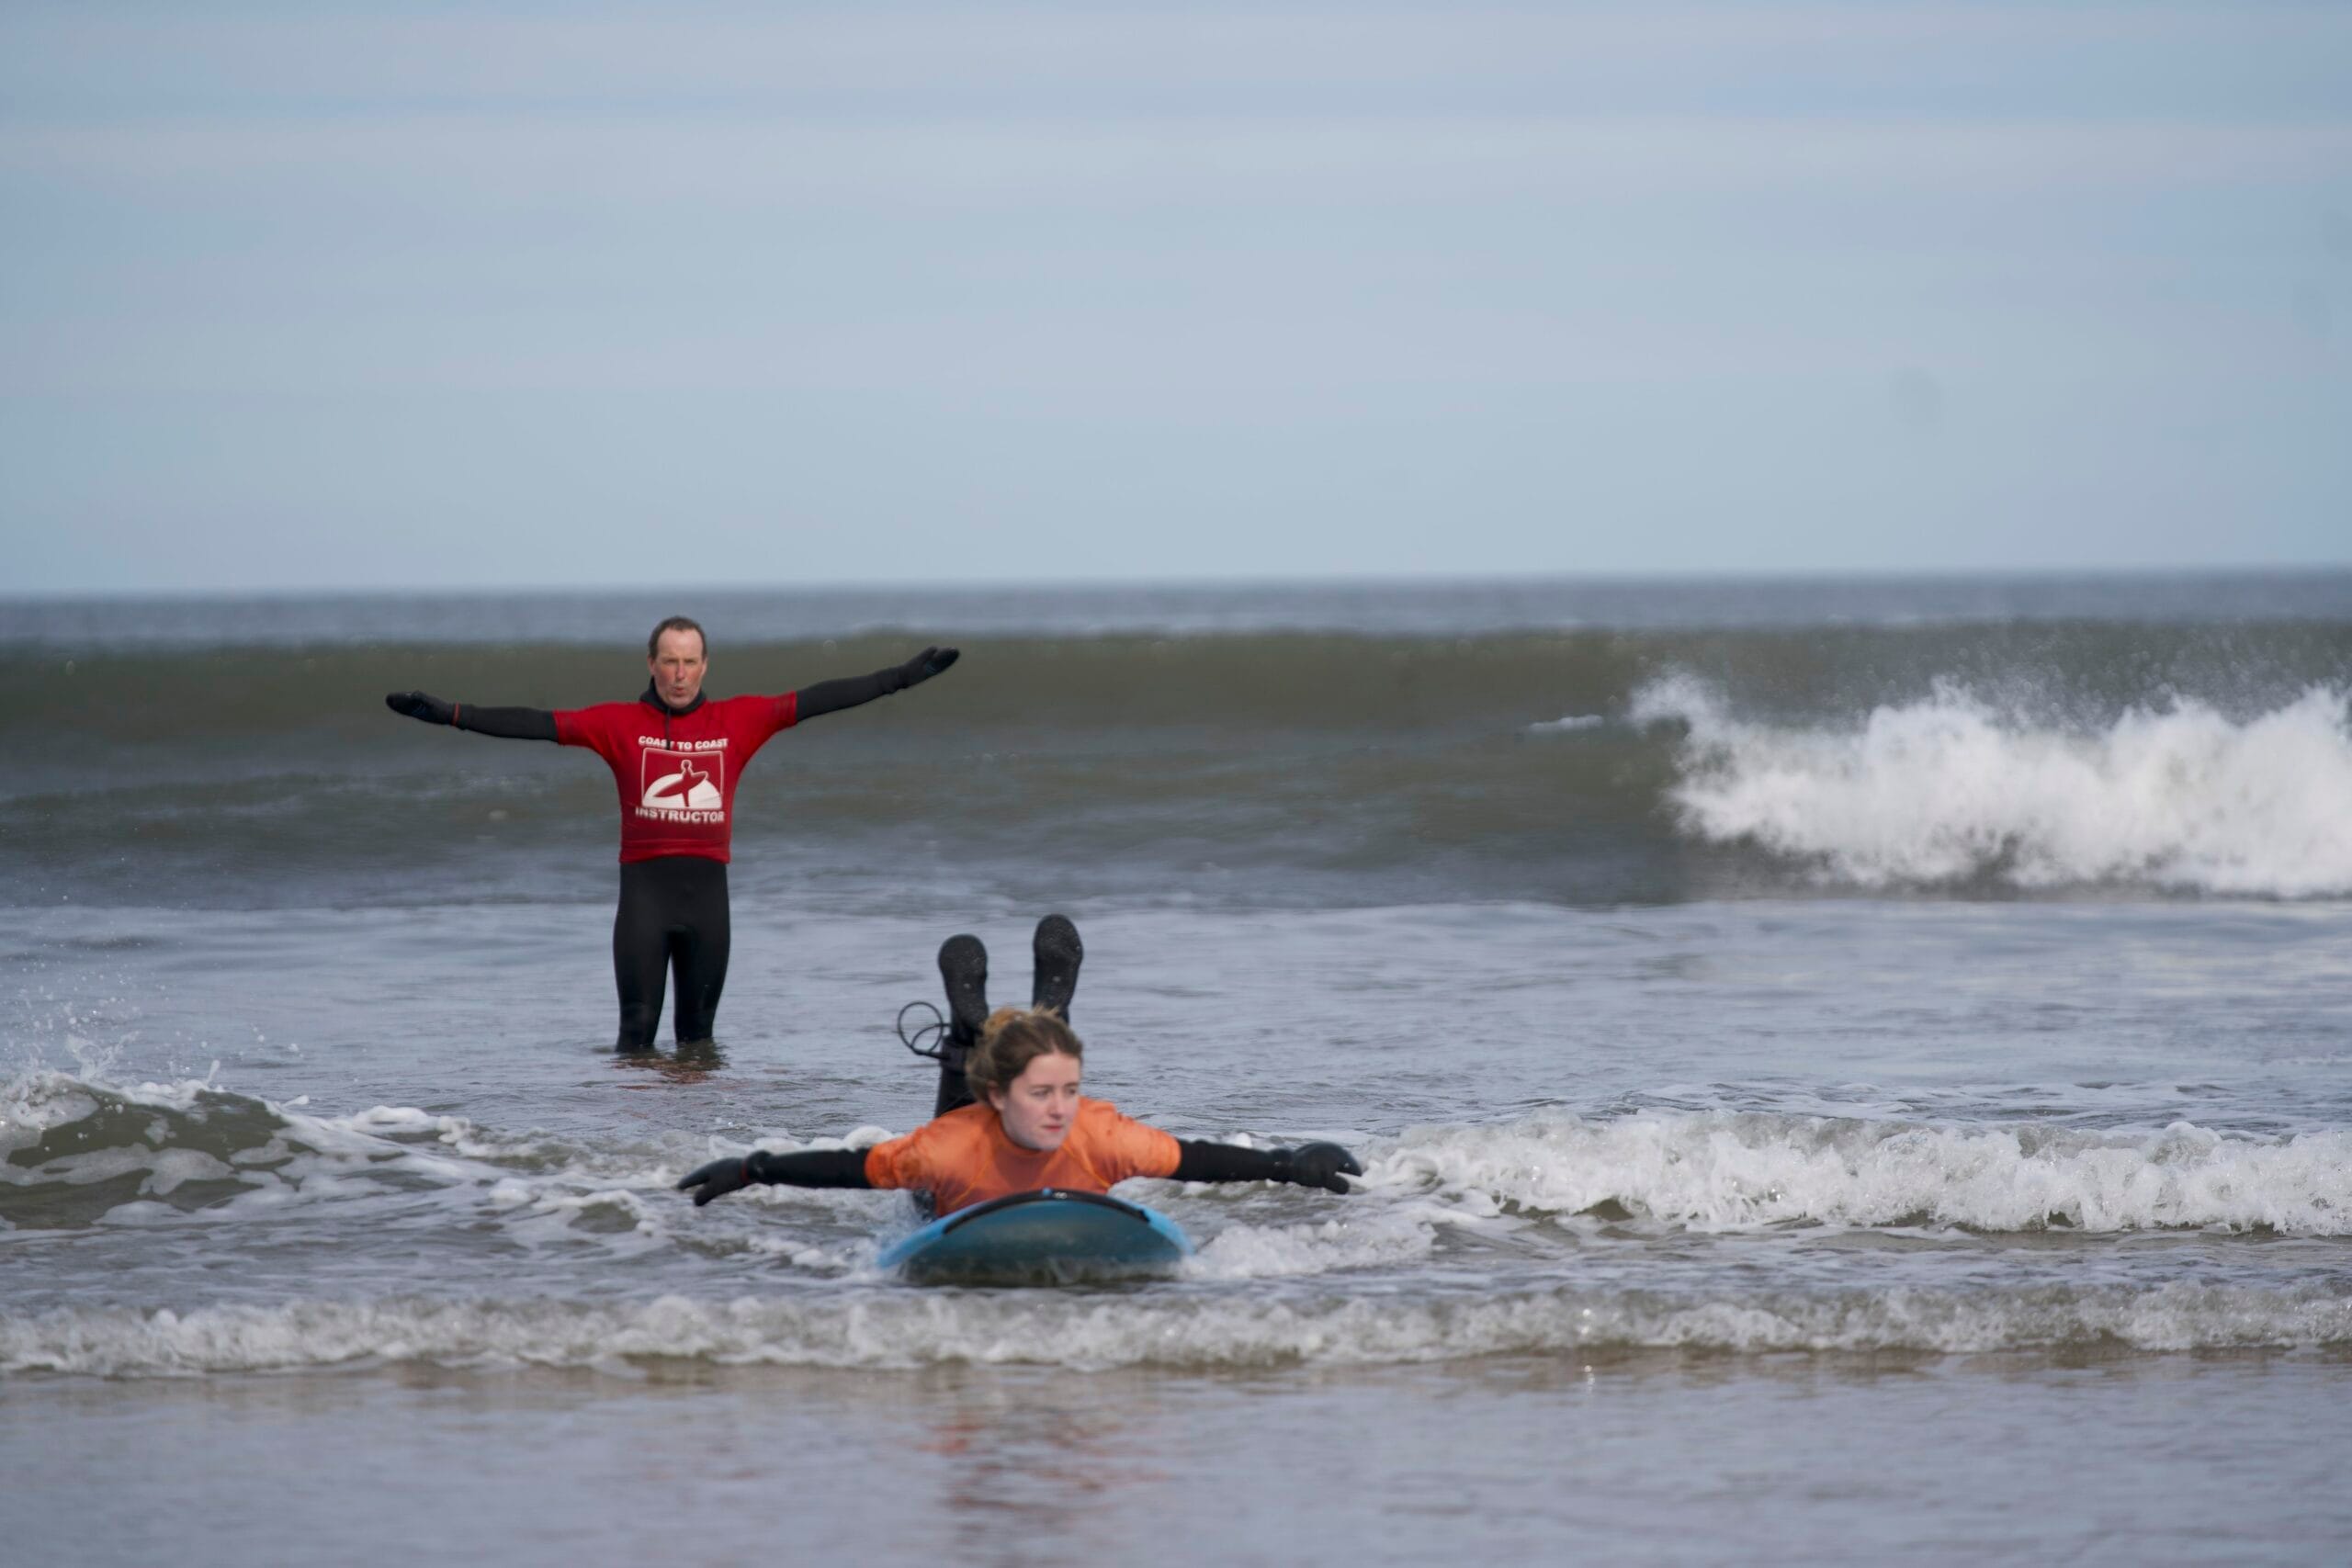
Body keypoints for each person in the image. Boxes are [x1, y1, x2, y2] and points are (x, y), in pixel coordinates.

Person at [384, 615, 958, 1051]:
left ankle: (687, 1156)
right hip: (645, 898)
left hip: (709, 899)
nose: (679, 674)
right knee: (634, 1038)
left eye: (689, 662)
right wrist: (451, 713)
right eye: (669, 661)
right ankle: (633, 1159)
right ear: (652, 665)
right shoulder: (617, 724)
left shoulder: (739, 719)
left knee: (699, 1043)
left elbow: (820, 698)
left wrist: (903, 678)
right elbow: (534, 723)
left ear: (705, 666)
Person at [676, 1002, 1363, 1214]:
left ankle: (1045, 1013)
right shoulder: (947, 1148)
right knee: (939, 1146)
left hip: (1031, 1166)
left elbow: (1197, 1159)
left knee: (1041, 1084)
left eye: (1071, 1088)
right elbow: (852, 1168)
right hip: (956, 1189)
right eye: (1043, 1093)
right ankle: (964, 1044)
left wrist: (1289, 1163)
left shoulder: (1101, 1131)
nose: (1063, 1109)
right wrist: (754, 1168)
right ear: (1001, 1095)